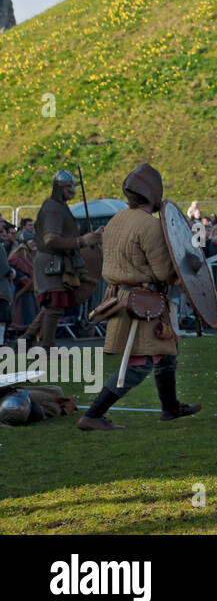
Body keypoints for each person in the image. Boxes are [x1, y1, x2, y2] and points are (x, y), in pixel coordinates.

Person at [77, 164, 201, 430]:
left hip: (122, 296)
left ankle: (170, 408)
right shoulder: (150, 226)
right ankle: (93, 415)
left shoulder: (115, 221)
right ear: (153, 193)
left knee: (167, 350)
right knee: (138, 363)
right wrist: (189, 265)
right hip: (143, 302)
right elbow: (163, 271)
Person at [30, 170, 101, 351]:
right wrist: (82, 241)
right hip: (50, 262)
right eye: (68, 187)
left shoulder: (60, 206)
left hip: (59, 260)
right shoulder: (53, 208)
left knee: (54, 306)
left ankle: (27, 338)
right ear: (58, 188)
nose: (72, 190)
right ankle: (46, 349)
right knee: (54, 306)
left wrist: (89, 237)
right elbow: (51, 239)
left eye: (73, 186)